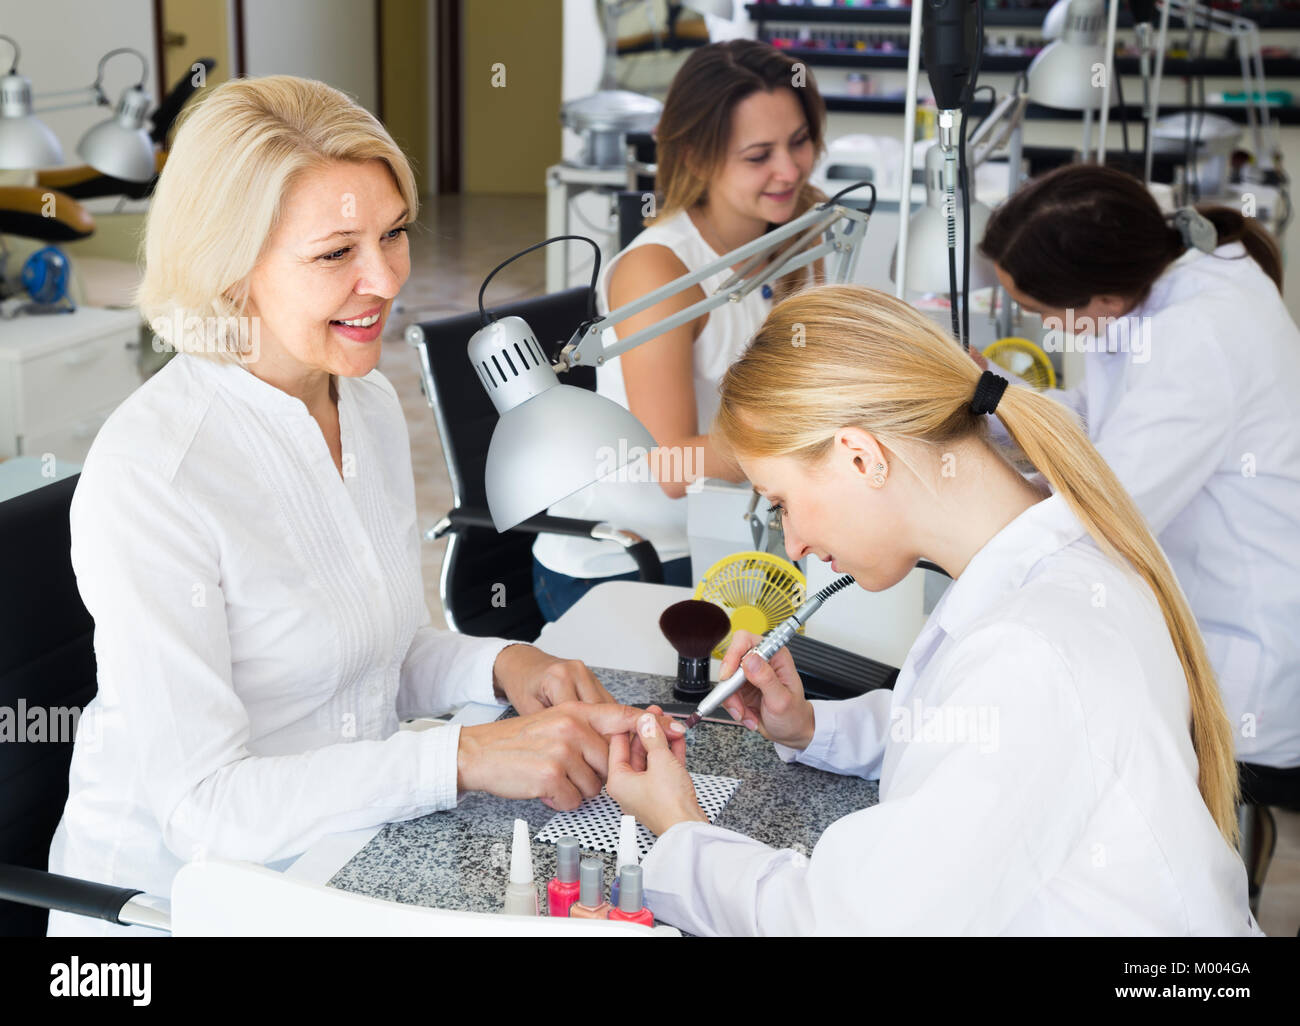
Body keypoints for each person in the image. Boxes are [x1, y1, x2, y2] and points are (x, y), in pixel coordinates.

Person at [45, 76, 672, 937]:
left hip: (339, 860)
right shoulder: (157, 474)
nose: (385, 279)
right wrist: (461, 755)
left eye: (394, 234)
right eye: (337, 253)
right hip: (176, 906)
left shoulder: (364, 401)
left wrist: (504, 667)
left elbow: (371, 651)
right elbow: (205, 808)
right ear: (229, 274)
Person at [605, 283, 1259, 935]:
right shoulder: (1059, 562)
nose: (794, 542)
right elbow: (972, 735)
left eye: (779, 502)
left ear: (862, 457)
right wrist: (808, 728)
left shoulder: (1036, 645)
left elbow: (846, 925)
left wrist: (680, 831)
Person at [977, 164, 1300, 804]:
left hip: (1244, 657)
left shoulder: (1197, 333)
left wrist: (958, 503)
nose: (1046, 327)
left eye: (1043, 312)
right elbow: (1108, 422)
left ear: (1105, 300)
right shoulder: (1156, 289)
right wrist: (993, 398)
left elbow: (1106, 509)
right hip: (1203, 610)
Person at [531, 39, 827, 621]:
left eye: (799, 142)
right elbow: (672, 467)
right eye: (757, 155)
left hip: (734, 536)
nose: (789, 170)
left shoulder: (798, 231)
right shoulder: (659, 272)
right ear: (695, 157)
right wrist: (820, 445)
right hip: (633, 560)